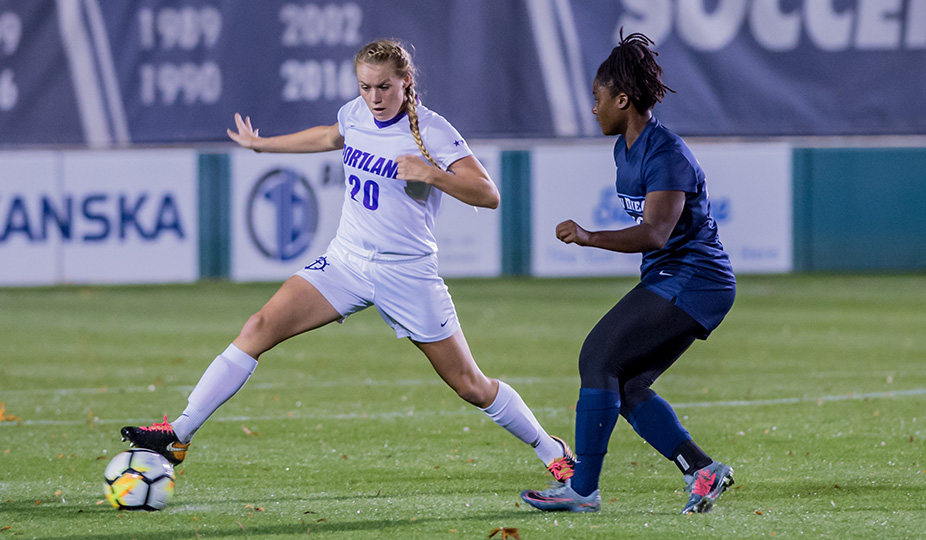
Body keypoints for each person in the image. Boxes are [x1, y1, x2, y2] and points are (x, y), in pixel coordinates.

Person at [121, 38, 574, 486]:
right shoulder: (356, 114)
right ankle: (178, 434)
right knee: (258, 327)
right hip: (346, 262)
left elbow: (489, 194)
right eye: (364, 87)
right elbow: (329, 136)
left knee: (470, 385)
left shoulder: (433, 131)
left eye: (383, 87)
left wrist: (431, 173)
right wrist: (264, 146)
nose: (373, 97)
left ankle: (549, 448)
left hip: (407, 273)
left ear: (405, 82)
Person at [520, 31, 736, 515]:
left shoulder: (666, 154)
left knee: (597, 357)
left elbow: (656, 233)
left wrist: (589, 236)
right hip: (674, 278)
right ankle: (702, 471)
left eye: (597, 99)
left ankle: (582, 490)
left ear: (623, 98)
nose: (593, 108)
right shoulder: (625, 149)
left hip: (696, 279)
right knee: (627, 383)